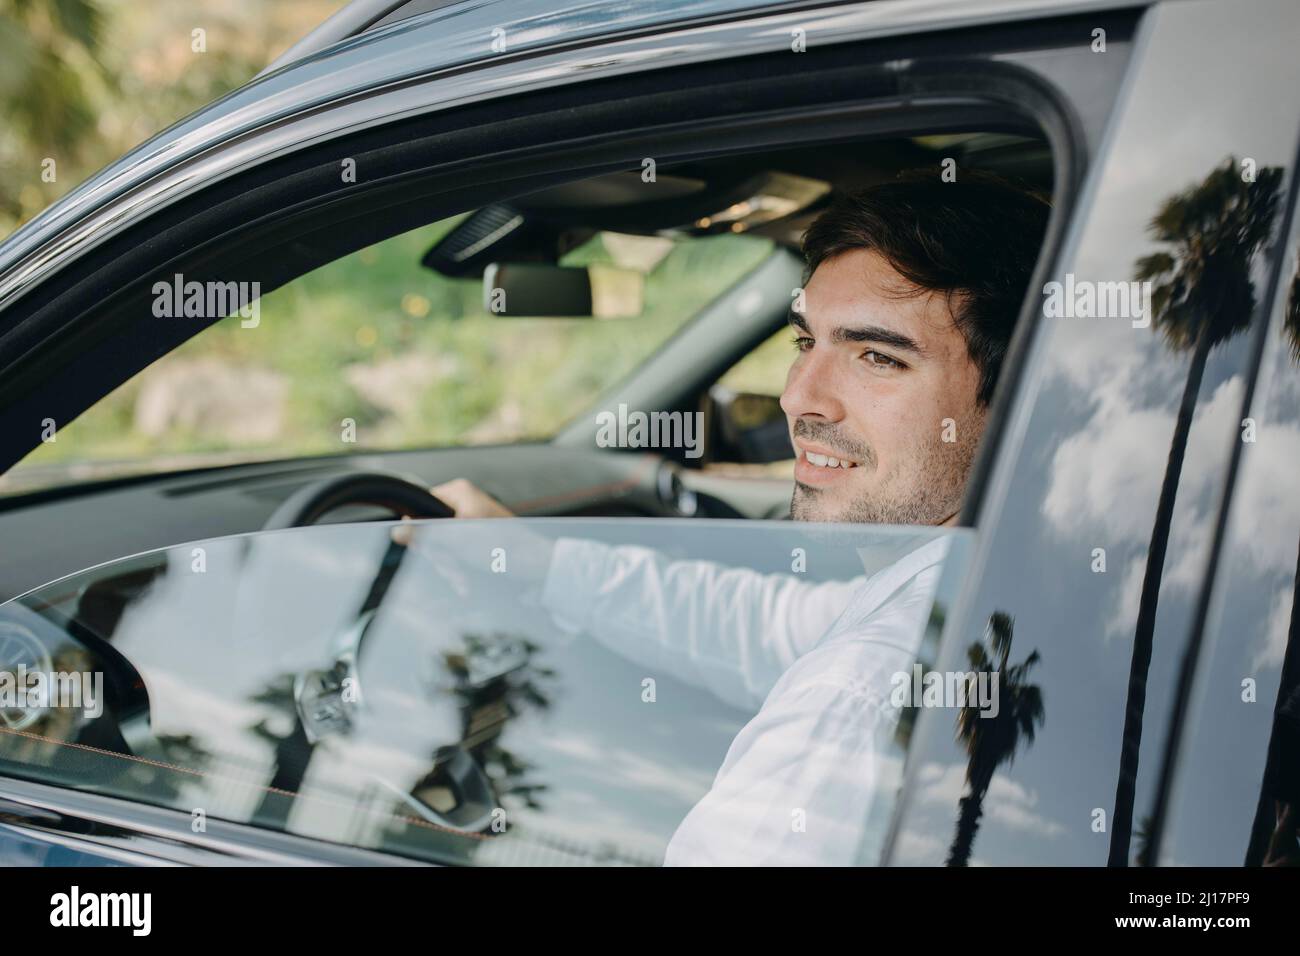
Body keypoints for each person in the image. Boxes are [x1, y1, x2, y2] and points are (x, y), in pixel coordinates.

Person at [430, 172, 1050, 864]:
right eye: (804, 343)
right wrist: (530, 560)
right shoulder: (996, 587)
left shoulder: (857, 700)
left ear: (1016, 400)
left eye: (877, 356)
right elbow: (761, 624)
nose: (799, 399)